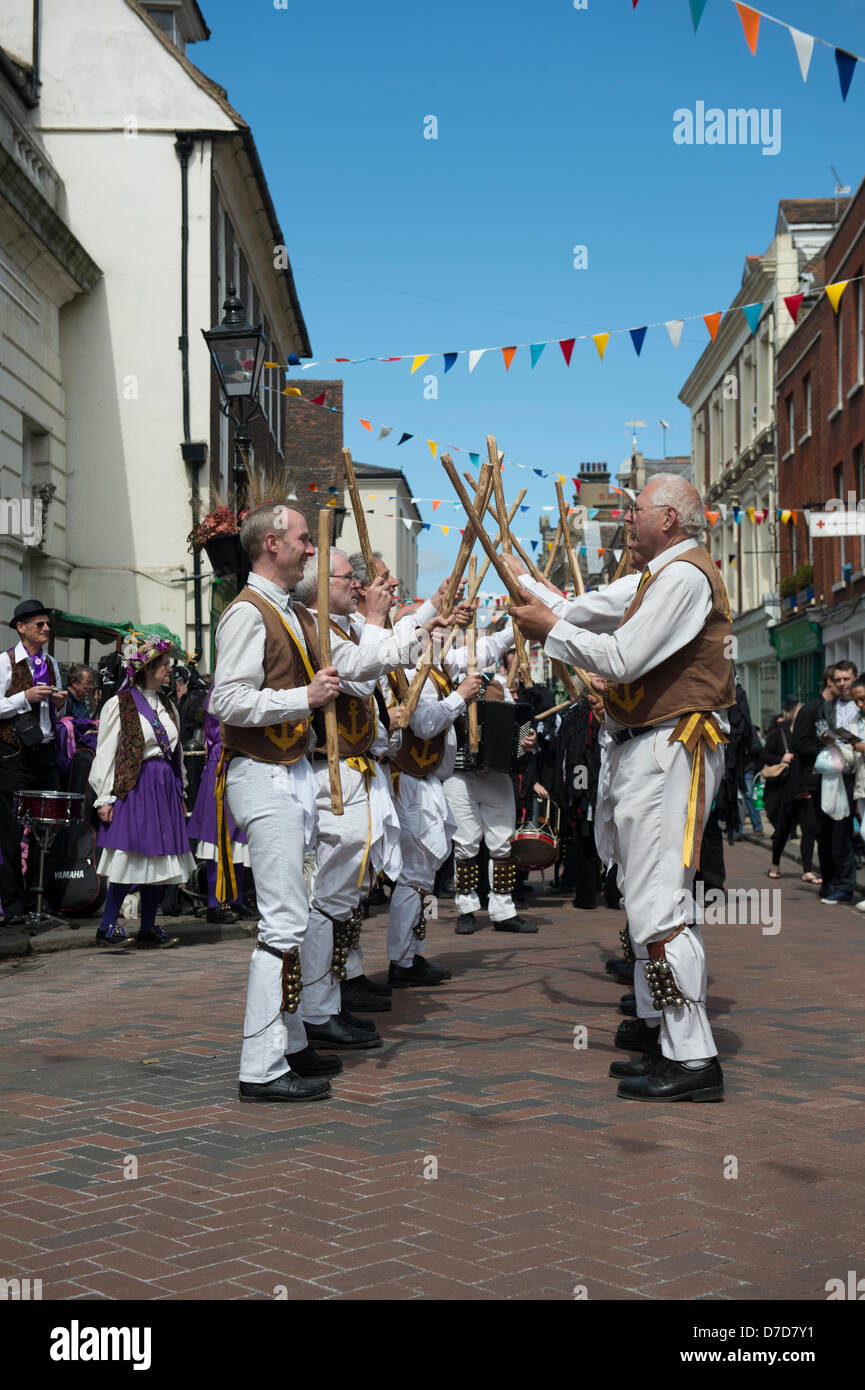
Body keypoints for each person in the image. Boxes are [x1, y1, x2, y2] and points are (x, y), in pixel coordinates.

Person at [508, 473, 733, 1103]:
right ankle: (667, 1033)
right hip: (651, 746)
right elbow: (591, 605)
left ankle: (694, 1057)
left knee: (659, 910)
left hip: (671, 746)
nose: (624, 518)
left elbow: (622, 656)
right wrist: (524, 586)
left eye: (634, 510)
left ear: (668, 518)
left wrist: (547, 629)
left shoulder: (685, 576)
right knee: (647, 904)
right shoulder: (659, 576)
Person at [210, 502, 342, 1104]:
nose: (311, 549)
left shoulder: (287, 611)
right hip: (262, 775)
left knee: (298, 912)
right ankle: (260, 1066)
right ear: (271, 544)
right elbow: (228, 703)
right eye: (303, 539)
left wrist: (412, 636)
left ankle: (288, 1043)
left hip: (288, 773)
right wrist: (303, 700)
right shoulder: (248, 612)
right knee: (283, 920)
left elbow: (339, 673)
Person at [89, 637, 195, 948]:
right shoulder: (120, 704)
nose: (169, 671)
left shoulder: (168, 705)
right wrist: (104, 796)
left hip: (164, 788)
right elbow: (106, 753)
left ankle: (147, 927)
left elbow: (175, 754)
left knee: (160, 859)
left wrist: (181, 788)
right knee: (129, 855)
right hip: (136, 786)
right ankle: (107, 926)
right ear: (147, 669)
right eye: (164, 665)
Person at [0, 600, 66, 926]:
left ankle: (42, 900)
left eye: (47, 625)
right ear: (20, 627)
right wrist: (24, 697)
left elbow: (57, 715)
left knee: (48, 829)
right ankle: (13, 906)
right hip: (13, 755)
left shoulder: (51, 662)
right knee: (11, 831)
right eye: (38, 624)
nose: (45, 629)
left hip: (45, 754)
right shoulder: (6, 662)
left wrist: (59, 701)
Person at [186, 686, 250, 924]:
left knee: (240, 837)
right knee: (217, 837)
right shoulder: (219, 691)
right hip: (220, 763)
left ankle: (236, 899)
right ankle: (215, 902)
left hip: (241, 763)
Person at [761, 700, 822, 883]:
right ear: (795, 714)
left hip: (804, 788)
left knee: (808, 829)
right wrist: (782, 757)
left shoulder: (812, 733)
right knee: (782, 829)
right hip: (784, 789)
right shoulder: (781, 731)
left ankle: (808, 870)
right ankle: (775, 865)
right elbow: (764, 755)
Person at [848, 677, 865, 912]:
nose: (860, 704)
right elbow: (854, 758)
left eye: (862, 699)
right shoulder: (857, 721)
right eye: (857, 701)